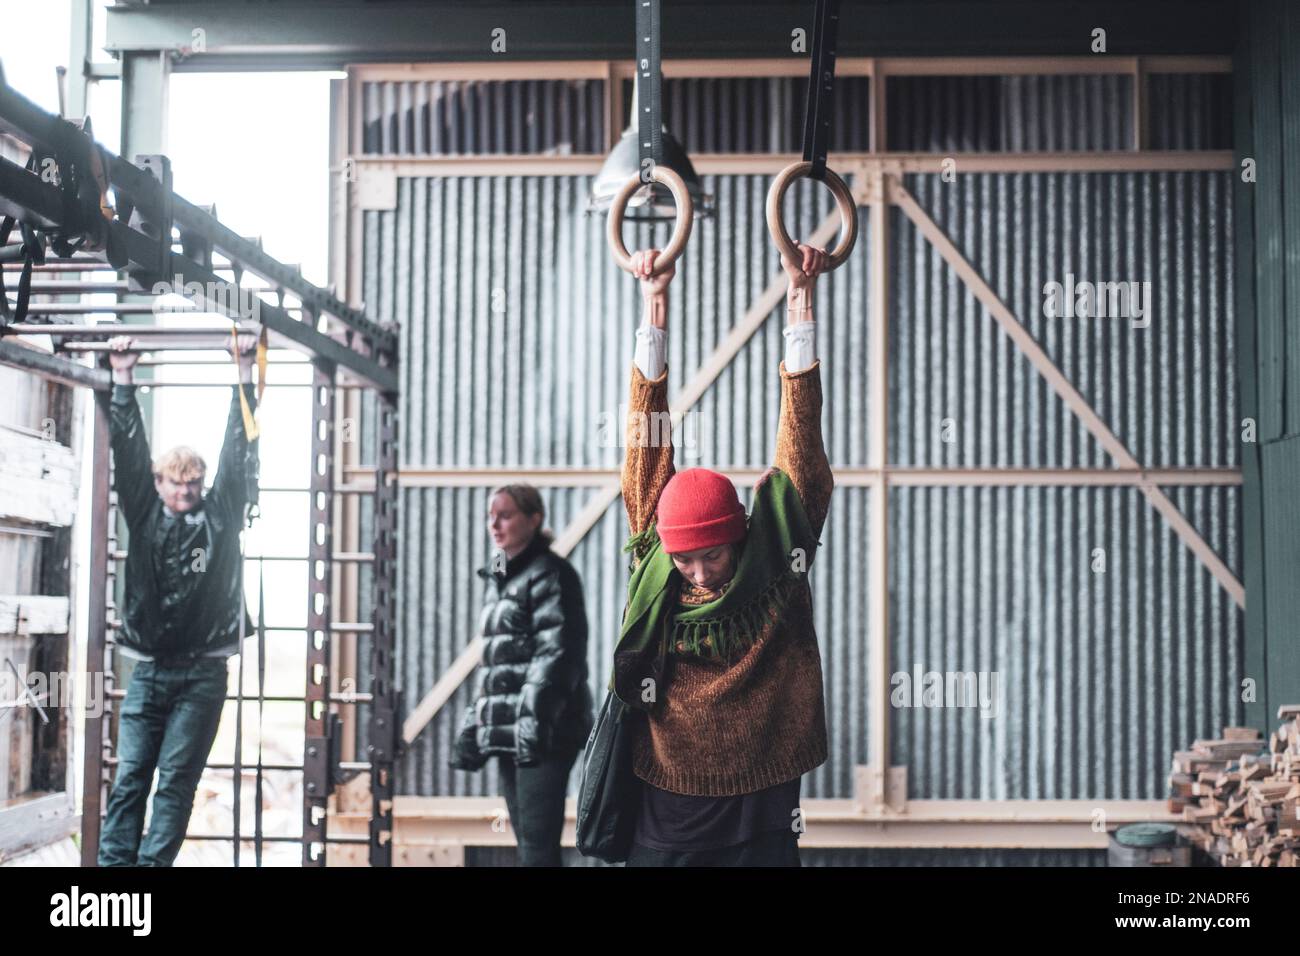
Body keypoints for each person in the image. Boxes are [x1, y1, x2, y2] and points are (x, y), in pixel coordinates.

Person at [614, 240, 834, 867]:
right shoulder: (655, 565)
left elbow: (801, 450)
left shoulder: (777, 563)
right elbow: (645, 446)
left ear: (742, 534)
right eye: (686, 560)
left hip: (766, 791)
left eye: (715, 555)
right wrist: (653, 303)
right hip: (669, 794)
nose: (702, 573)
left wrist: (801, 298)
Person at [96, 333, 260, 867]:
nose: (184, 494)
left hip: (203, 674)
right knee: (130, 780)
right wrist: (123, 376)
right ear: (159, 483)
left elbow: (238, 448)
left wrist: (242, 370)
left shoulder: (223, 512)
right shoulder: (143, 512)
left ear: (203, 485)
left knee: (175, 784)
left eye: (193, 486)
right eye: (175, 484)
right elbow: (127, 444)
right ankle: (114, 879)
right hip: (150, 669)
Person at [450, 484, 595, 866]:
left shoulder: (552, 574)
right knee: (526, 841)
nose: (494, 524)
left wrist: (530, 727)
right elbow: (496, 663)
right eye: (490, 516)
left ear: (535, 519)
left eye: (506, 515)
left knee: (537, 845)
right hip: (512, 731)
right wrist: (479, 722)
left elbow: (559, 657)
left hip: (545, 731)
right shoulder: (501, 577)